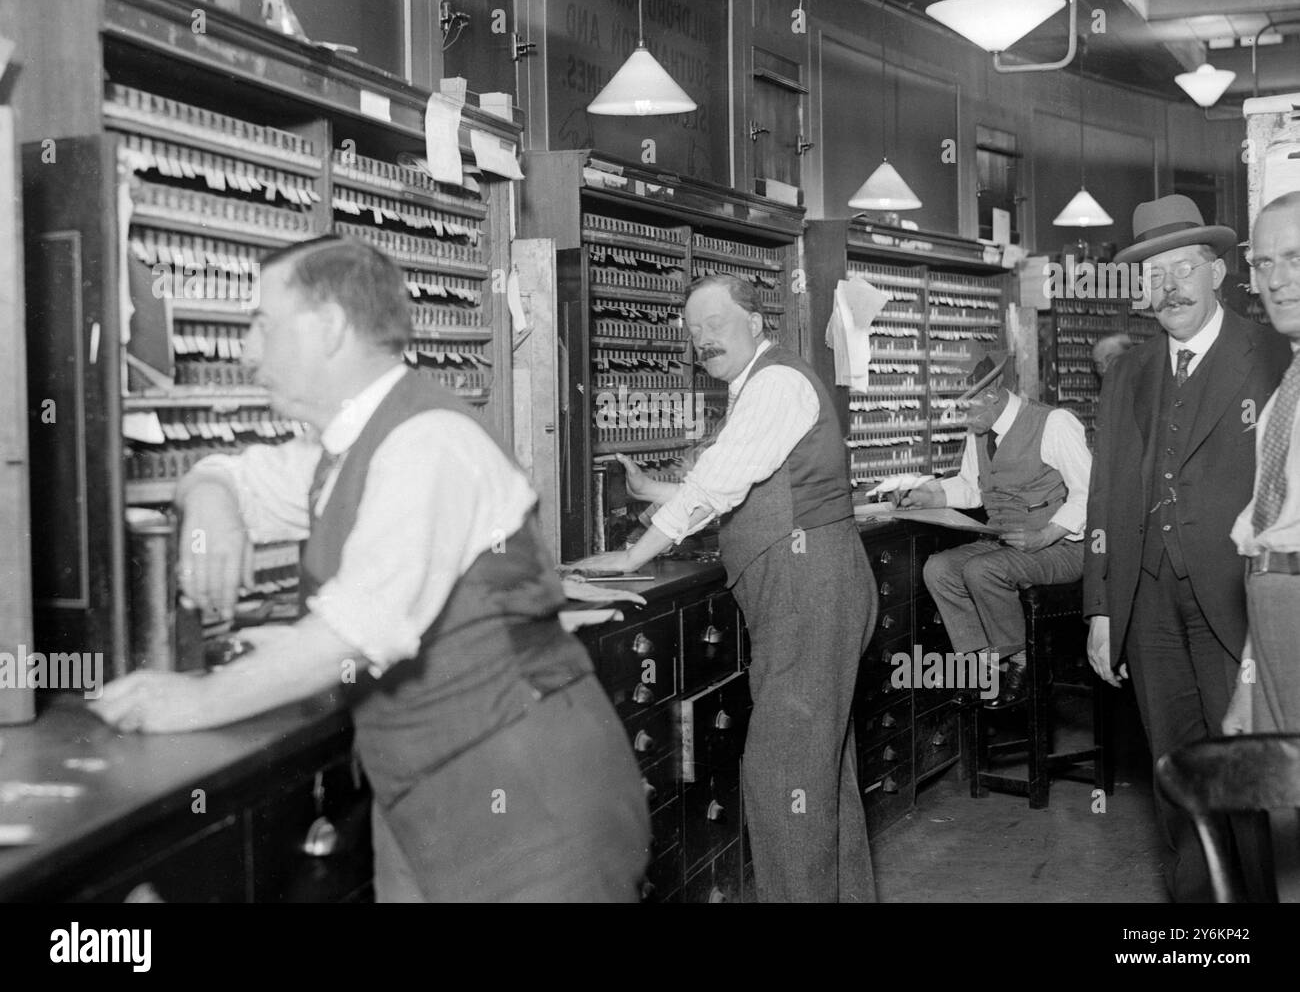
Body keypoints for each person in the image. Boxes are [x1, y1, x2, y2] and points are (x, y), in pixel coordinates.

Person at [91, 236, 651, 902]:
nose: (246, 351)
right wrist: (213, 504)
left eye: (262, 325)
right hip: (419, 799)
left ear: (329, 327)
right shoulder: (346, 443)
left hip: (531, 803)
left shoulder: (427, 443)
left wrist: (193, 699)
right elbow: (229, 475)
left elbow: (353, 636)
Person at [575, 271, 877, 903]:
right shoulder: (759, 385)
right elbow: (743, 478)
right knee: (821, 772)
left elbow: (719, 485)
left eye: (714, 323)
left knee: (782, 775)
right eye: (692, 331)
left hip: (808, 587)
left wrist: (634, 553)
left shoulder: (776, 383)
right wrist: (656, 493)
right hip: (809, 586)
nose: (701, 341)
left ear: (756, 321)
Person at [1084, 194, 1290, 902]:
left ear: (1218, 272)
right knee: (1176, 781)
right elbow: (1104, 495)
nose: (1167, 286)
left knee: (1237, 782)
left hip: (1234, 602)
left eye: (1182, 268)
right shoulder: (1128, 374)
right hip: (1148, 609)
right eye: (1152, 274)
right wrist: (1102, 609)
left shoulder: (1269, 354)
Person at [906, 349, 1091, 707]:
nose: (960, 419)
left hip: (1063, 547)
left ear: (989, 396)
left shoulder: (1054, 423)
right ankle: (980, 668)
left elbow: (1091, 491)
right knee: (939, 569)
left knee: (982, 570)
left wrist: (1047, 534)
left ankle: (1026, 664)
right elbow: (972, 486)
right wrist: (932, 495)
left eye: (963, 408)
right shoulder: (981, 431)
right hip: (1006, 543)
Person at [1226, 190, 1300, 735]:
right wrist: (1248, 684)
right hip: (1274, 608)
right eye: (1264, 263)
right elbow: (1267, 541)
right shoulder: (1284, 391)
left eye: (1296, 259)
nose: (1276, 281)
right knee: (1283, 800)